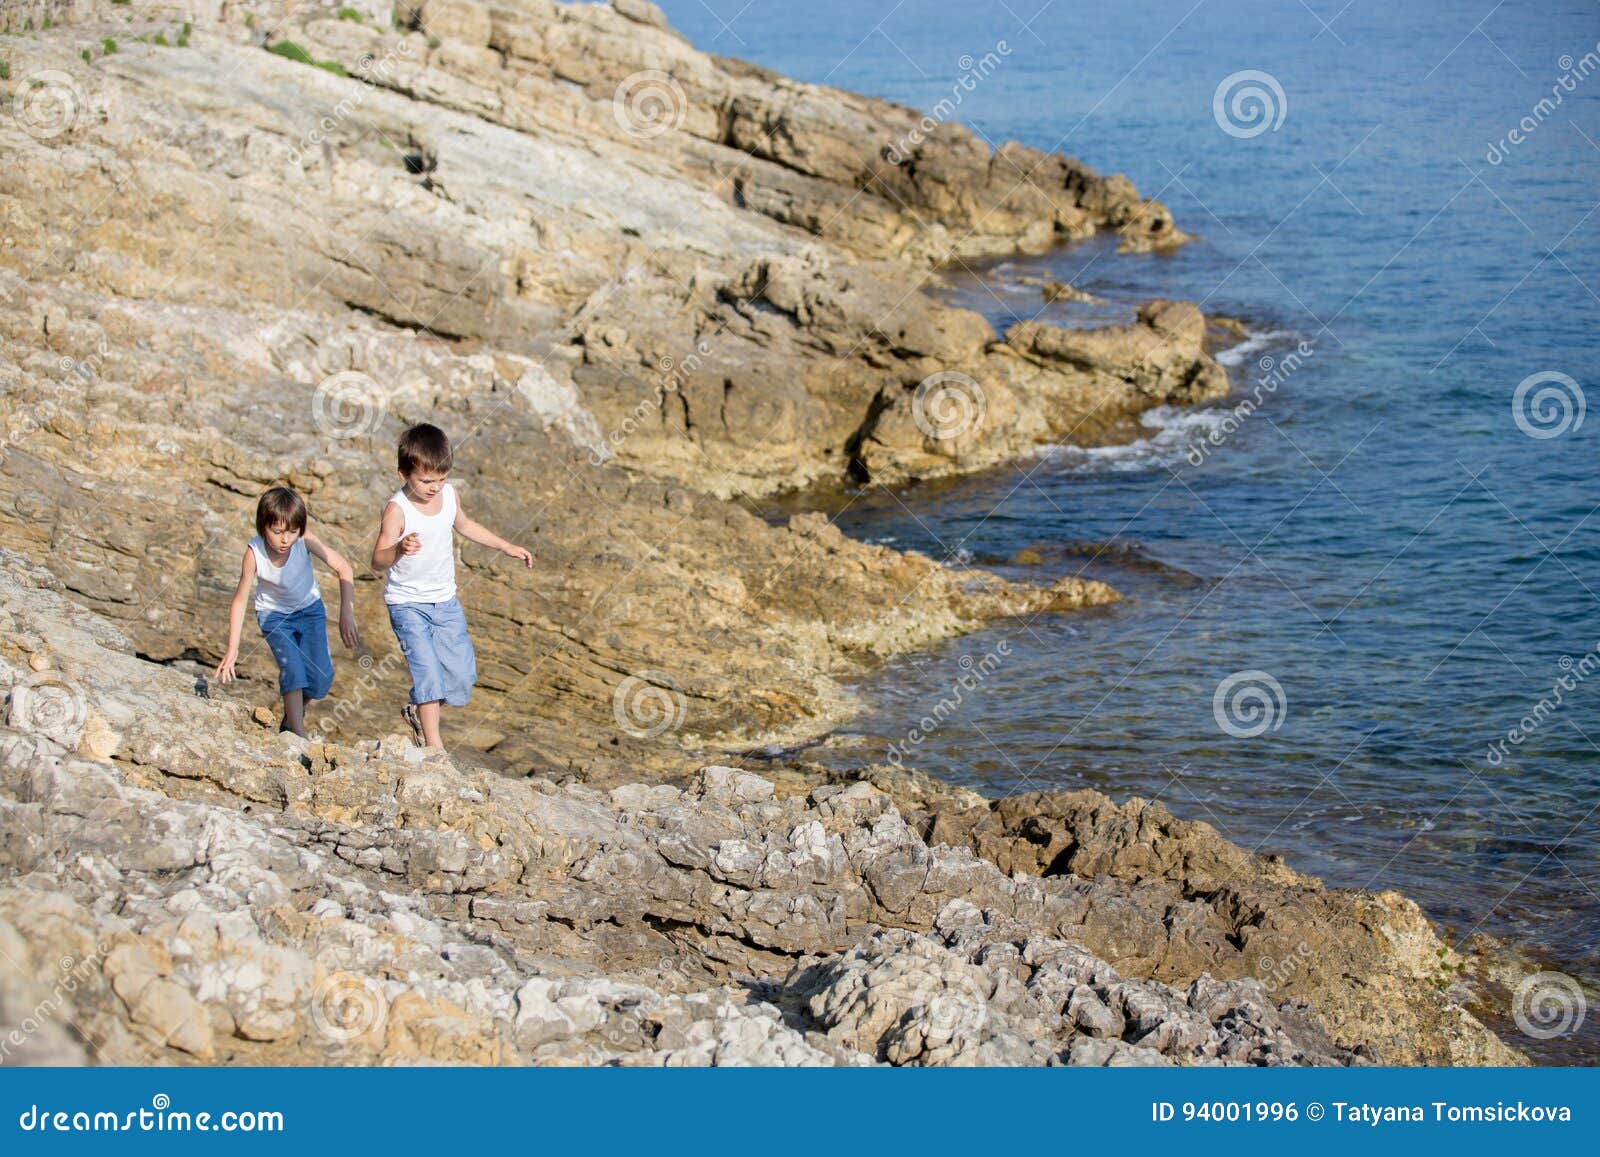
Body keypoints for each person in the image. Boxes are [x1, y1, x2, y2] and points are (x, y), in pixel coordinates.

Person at [371, 423, 531, 750]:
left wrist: (505, 547)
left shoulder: (448, 496)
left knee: (461, 677)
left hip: (445, 602)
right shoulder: (397, 510)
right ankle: (435, 747)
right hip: (407, 604)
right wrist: (399, 549)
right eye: (426, 480)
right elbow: (377, 560)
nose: (434, 487)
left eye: (442, 478)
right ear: (403, 473)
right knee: (428, 673)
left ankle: (419, 710)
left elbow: (466, 525)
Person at [217, 486, 359, 737]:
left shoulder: (305, 540)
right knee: (292, 668)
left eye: (292, 532)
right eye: (277, 532)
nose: (285, 540)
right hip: (274, 616)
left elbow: (344, 568)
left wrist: (346, 613)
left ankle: (293, 715)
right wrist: (232, 648)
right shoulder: (254, 553)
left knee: (320, 681)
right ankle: (298, 734)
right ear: (263, 527)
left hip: (309, 610)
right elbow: (239, 600)